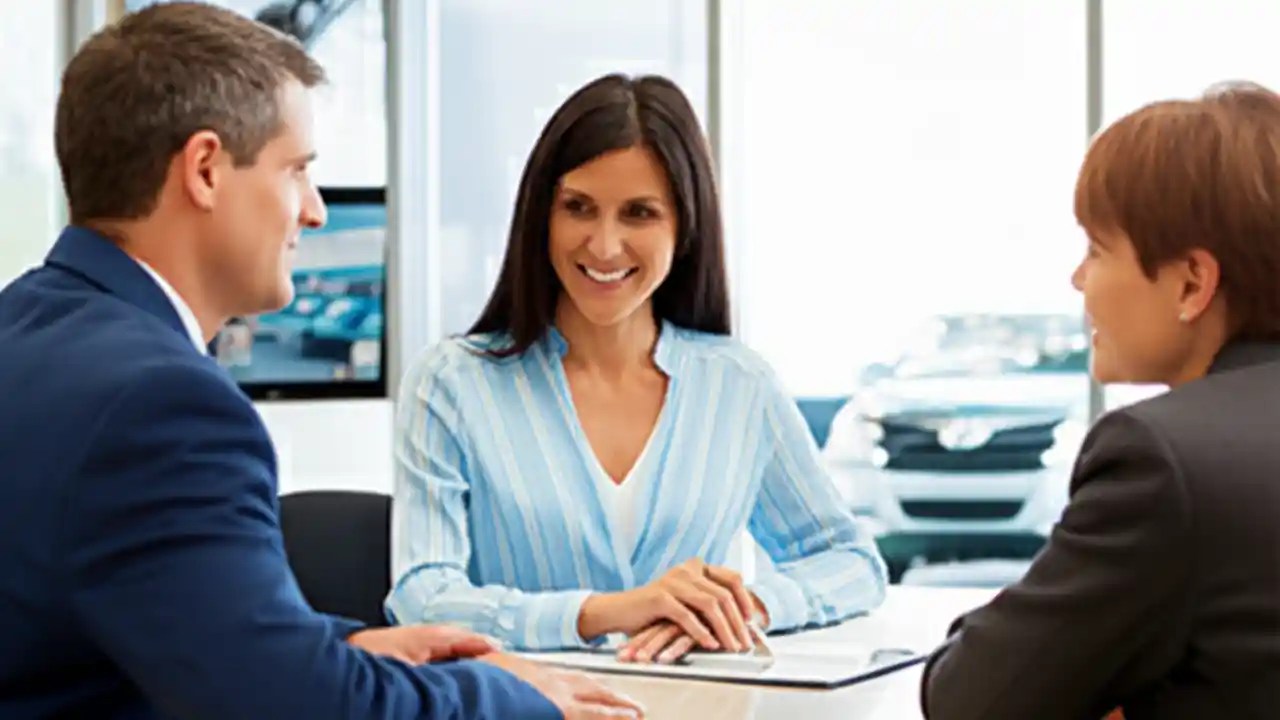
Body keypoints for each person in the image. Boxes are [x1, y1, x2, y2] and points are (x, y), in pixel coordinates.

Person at [0, 4, 642, 719]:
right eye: (297, 170)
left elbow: (154, 629)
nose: (315, 211)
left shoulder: (24, 327)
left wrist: (346, 648)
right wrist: (515, 697)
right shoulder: (163, 405)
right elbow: (297, 707)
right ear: (206, 170)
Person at [386, 73, 887, 663]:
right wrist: (610, 610)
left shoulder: (738, 386)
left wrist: (745, 607)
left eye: (639, 214)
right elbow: (423, 595)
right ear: (541, 216)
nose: (603, 245)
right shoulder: (451, 383)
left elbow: (850, 563)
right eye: (578, 208)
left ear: (685, 226)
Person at [920, 81, 1280, 719]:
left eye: (1096, 248)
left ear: (1191, 282)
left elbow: (974, 696)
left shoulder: (1165, 460)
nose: (1079, 279)